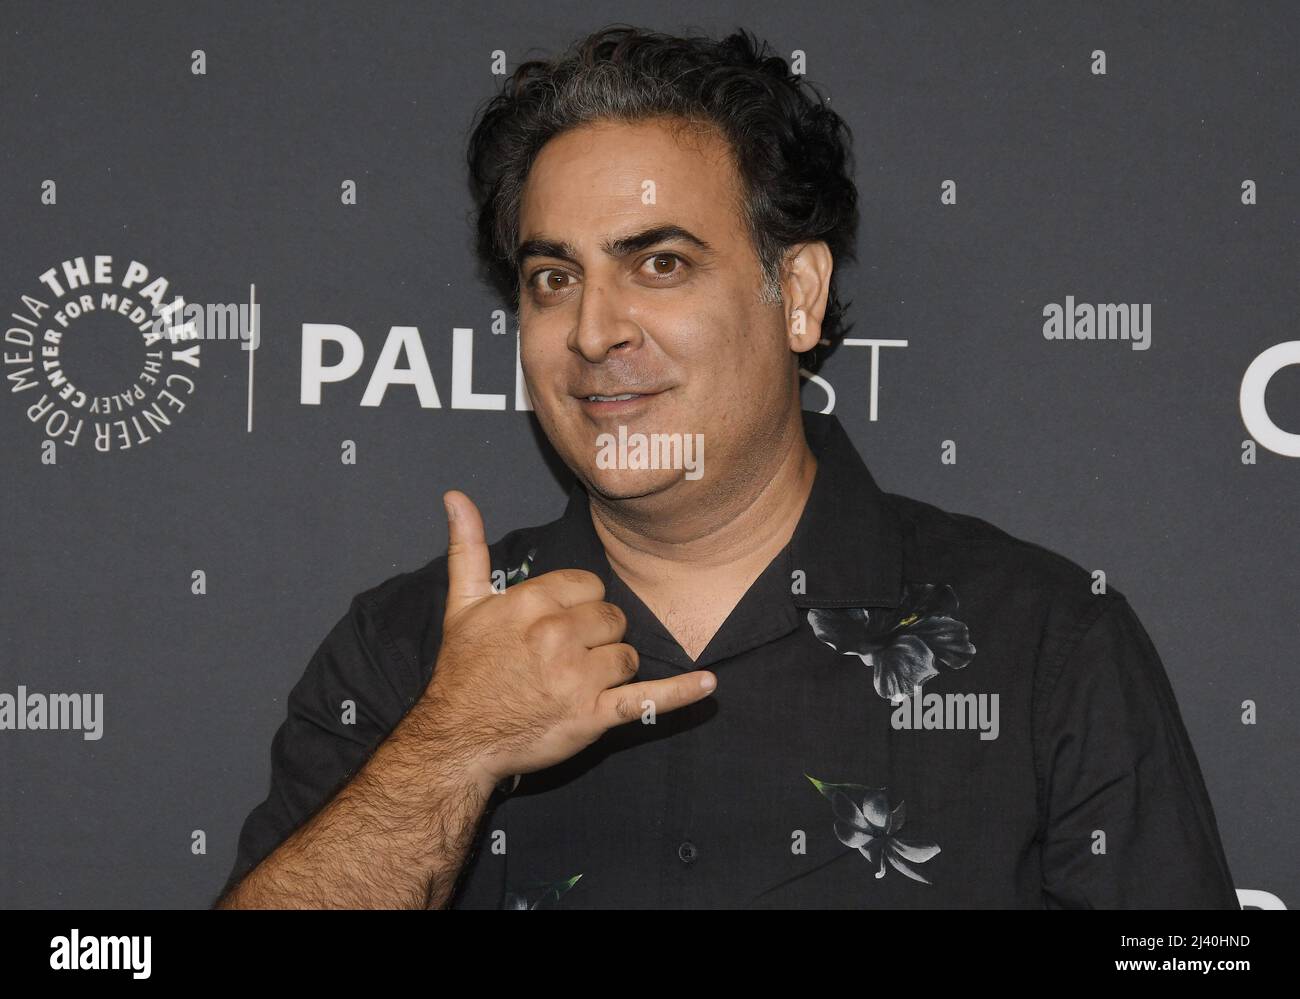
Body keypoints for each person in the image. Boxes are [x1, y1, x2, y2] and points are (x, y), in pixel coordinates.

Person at [214, 24, 1237, 909]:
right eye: (553, 277)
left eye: (659, 263)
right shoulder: (409, 648)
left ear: (794, 293)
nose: (594, 330)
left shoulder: (1047, 642)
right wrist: (451, 748)